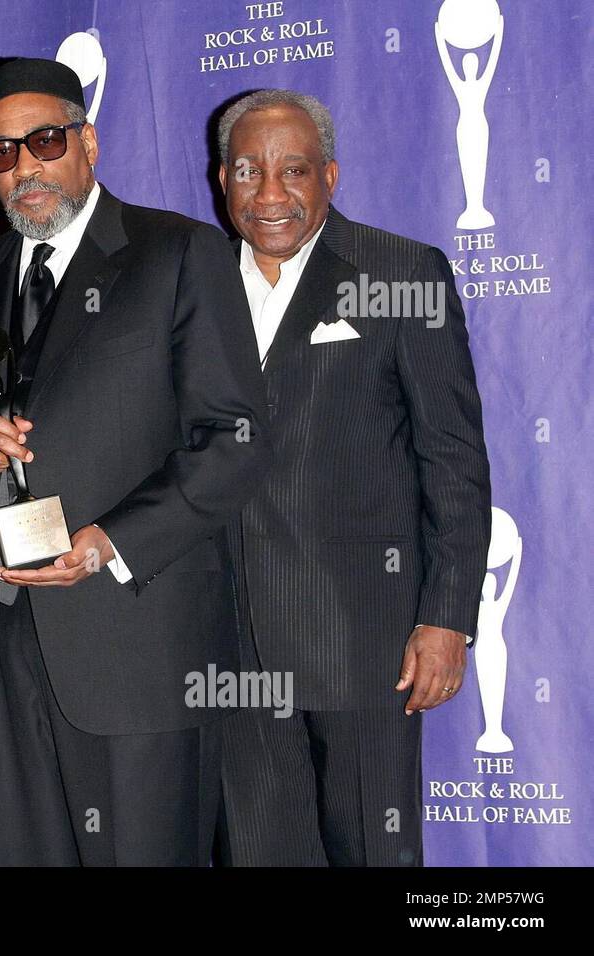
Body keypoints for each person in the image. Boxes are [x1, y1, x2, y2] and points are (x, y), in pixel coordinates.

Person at [0, 58, 270, 866]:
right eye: (0, 153)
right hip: (7, 647)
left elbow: (235, 438)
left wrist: (112, 541)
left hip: (139, 641)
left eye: (43, 140)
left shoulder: (177, 252)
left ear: (89, 141)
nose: (24, 167)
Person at [213, 89, 491, 866]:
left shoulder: (400, 271)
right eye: (247, 171)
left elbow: (454, 460)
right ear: (221, 180)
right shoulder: (187, 284)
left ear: (329, 176)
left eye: (293, 170)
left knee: (375, 853)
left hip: (366, 640)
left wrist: (446, 618)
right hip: (226, 645)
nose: (270, 194)